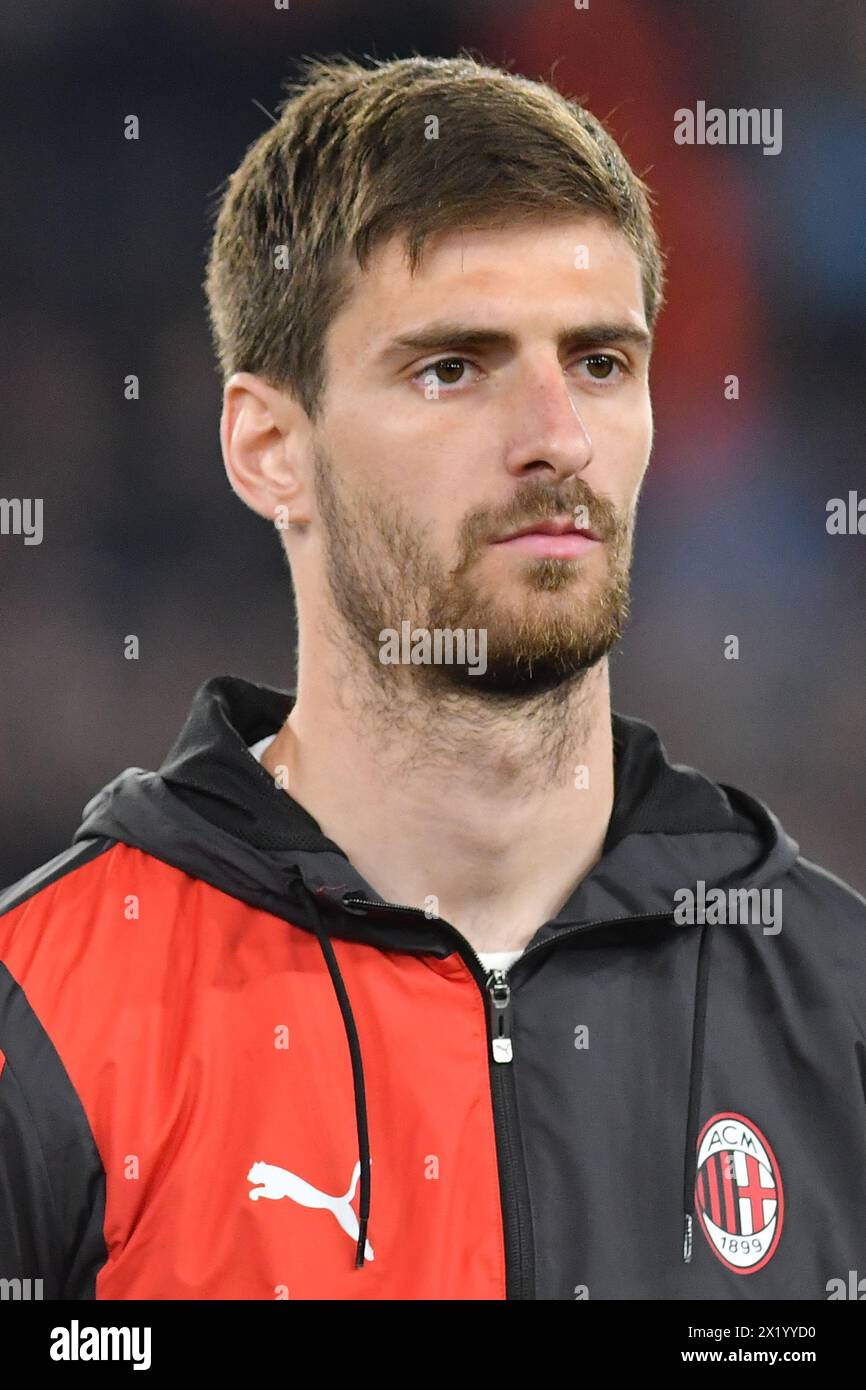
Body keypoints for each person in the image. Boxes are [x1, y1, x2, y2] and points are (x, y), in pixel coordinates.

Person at [1, 53, 864, 1301]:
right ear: (268, 450)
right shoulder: (50, 1018)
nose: (555, 439)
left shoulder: (834, 1005)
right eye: (452, 367)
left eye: (599, 364)